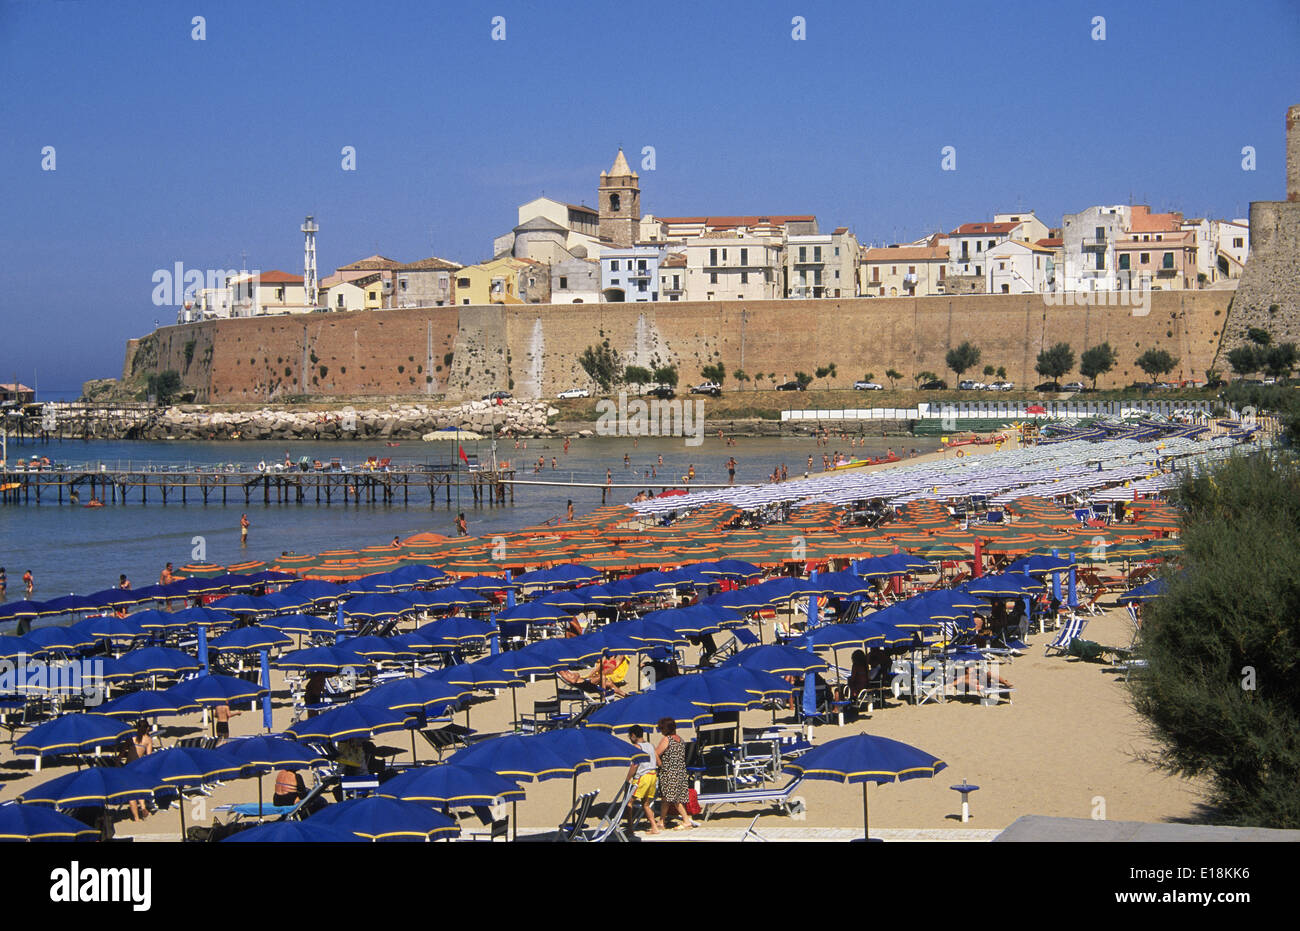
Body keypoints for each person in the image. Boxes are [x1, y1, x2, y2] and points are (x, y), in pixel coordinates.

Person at [655, 718, 696, 830]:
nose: (660, 730)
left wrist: (660, 765)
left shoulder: (667, 739)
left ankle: (686, 820)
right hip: (680, 772)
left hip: (669, 773)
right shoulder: (681, 740)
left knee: (674, 799)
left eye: (661, 728)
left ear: (666, 729)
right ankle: (661, 822)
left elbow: (656, 754)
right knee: (666, 798)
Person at [625, 725, 661, 834]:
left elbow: (634, 765)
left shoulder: (637, 747)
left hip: (643, 777)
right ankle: (654, 827)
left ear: (633, 736)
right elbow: (659, 762)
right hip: (653, 776)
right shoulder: (650, 745)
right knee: (645, 804)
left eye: (630, 737)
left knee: (628, 803)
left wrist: (627, 779)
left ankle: (630, 828)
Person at [122, 720, 154, 821]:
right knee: (138, 789)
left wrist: (117, 761)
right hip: (139, 767)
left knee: (131, 794)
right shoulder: (148, 739)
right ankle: (143, 807)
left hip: (128, 767)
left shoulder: (131, 737)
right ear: (147, 728)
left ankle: (136, 818)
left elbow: (123, 751)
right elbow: (148, 757)